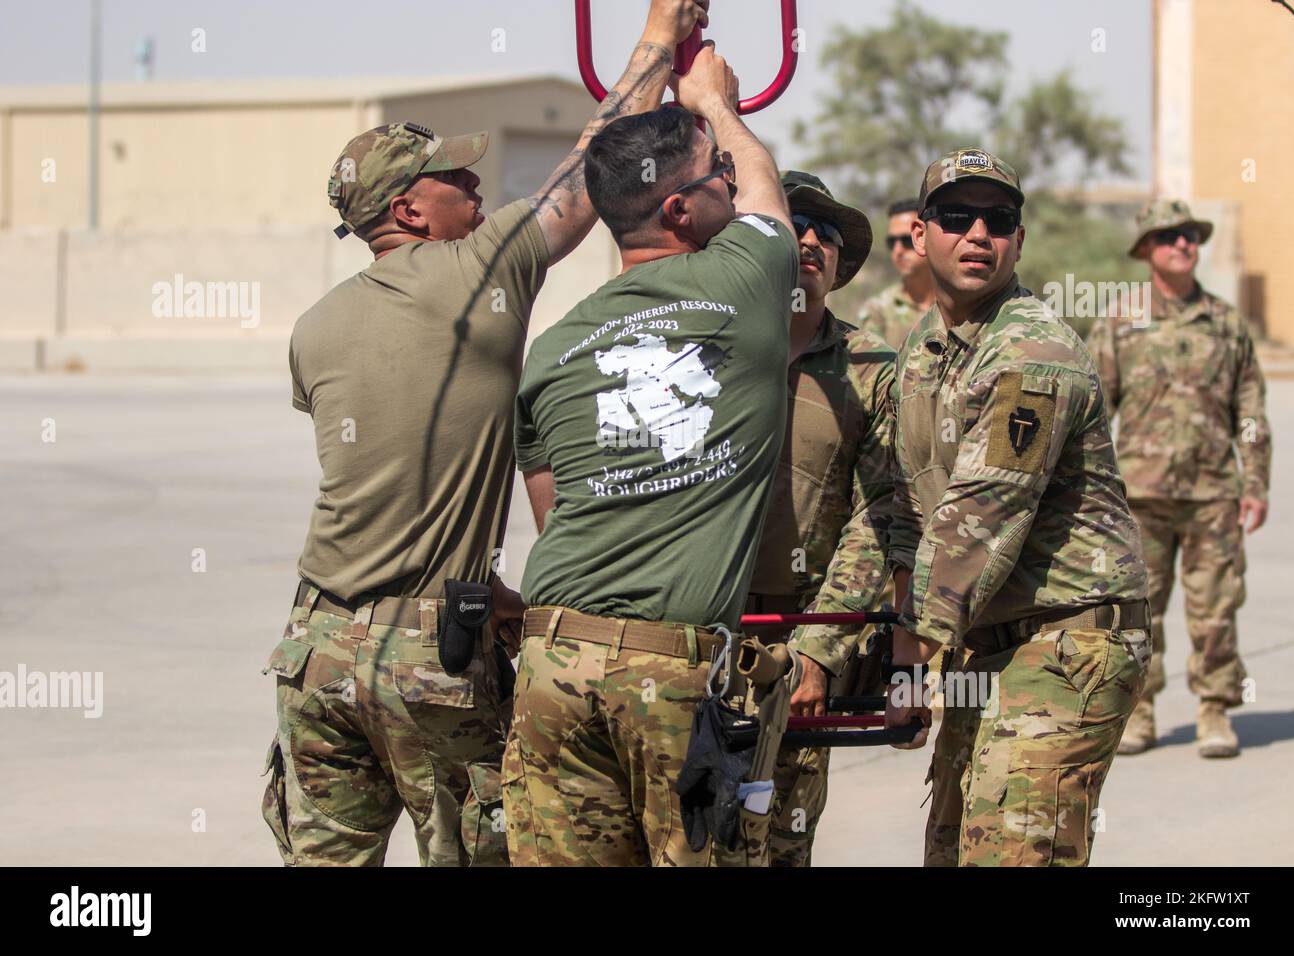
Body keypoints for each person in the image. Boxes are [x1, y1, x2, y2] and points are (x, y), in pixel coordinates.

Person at [261, 0, 713, 866]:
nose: (477, 183)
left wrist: (483, 584)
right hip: (431, 661)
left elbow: (397, 476)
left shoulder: (313, 326)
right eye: (453, 178)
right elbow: (596, 162)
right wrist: (661, 35)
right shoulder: (481, 269)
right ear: (408, 209)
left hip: (314, 650)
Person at [502, 44, 798, 866]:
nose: (733, 190)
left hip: (553, 659)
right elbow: (769, 189)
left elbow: (552, 511)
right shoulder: (744, 281)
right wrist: (716, 103)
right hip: (668, 674)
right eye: (718, 181)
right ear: (678, 211)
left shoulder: (556, 346)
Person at [884, 147, 1151, 867]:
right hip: (988, 644)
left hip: (1068, 643)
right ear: (919, 234)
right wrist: (830, 647)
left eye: (998, 220)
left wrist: (908, 658)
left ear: (1020, 241)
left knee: (1011, 855)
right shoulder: (924, 352)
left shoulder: (1032, 350)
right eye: (957, 216)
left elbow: (979, 516)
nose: (978, 234)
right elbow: (891, 503)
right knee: (952, 847)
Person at [730, 170, 897, 867]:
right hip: (700, 631)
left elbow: (883, 512)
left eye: (826, 234)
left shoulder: (874, 369)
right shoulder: (711, 346)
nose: (810, 240)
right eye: (794, 224)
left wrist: (819, 653)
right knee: (687, 828)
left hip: (803, 642)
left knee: (782, 836)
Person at [1088, 199, 1271, 758]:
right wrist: (1093, 491)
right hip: (1140, 494)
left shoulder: (1226, 322)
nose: (1182, 244)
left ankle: (1214, 710)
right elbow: (1094, 413)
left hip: (1214, 491)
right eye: (1168, 237)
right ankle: (1140, 713)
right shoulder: (1121, 320)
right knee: (1139, 610)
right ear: (1146, 249)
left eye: (1189, 235)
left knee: (1215, 608)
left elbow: (1251, 410)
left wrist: (1255, 482)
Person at [858, 199, 935, 348]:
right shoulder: (879, 310)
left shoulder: (956, 304)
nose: (898, 251)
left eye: (907, 240)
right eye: (892, 242)